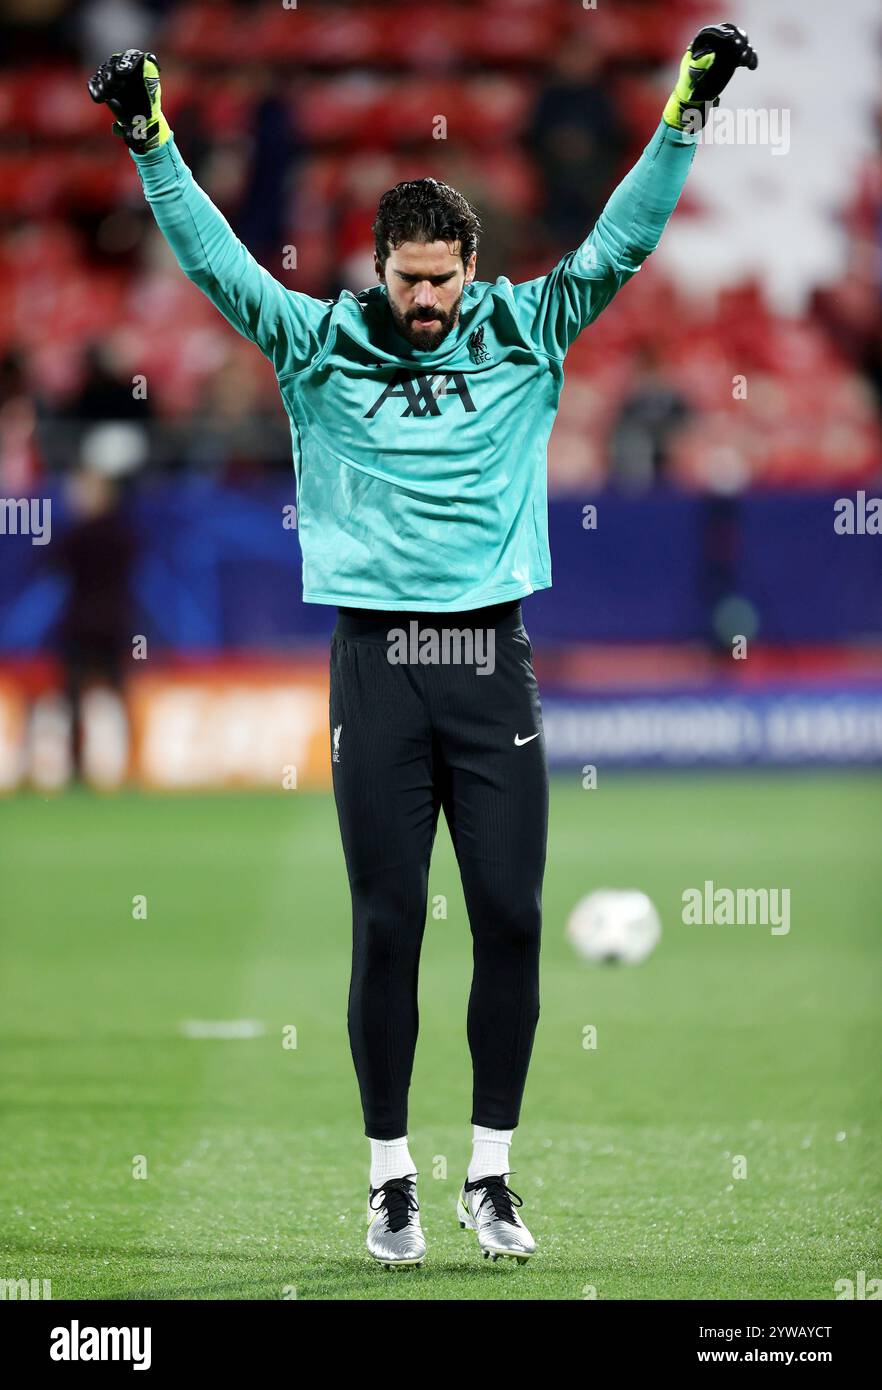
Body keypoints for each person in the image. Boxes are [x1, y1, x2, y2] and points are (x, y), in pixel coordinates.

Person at [87, 24, 757, 1270]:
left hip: (490, 659)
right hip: (377, 662)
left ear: (470, 268)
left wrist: (683, 115)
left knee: (507, 914)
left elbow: (624, 239)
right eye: (410, 279)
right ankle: (390, 1178)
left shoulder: (526, 329)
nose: (431, 301)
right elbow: (218, 267)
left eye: (446, 277)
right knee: (389, 921)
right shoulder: (316, 346)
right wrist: (152, 142)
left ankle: (490, 1173)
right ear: (378, 270)